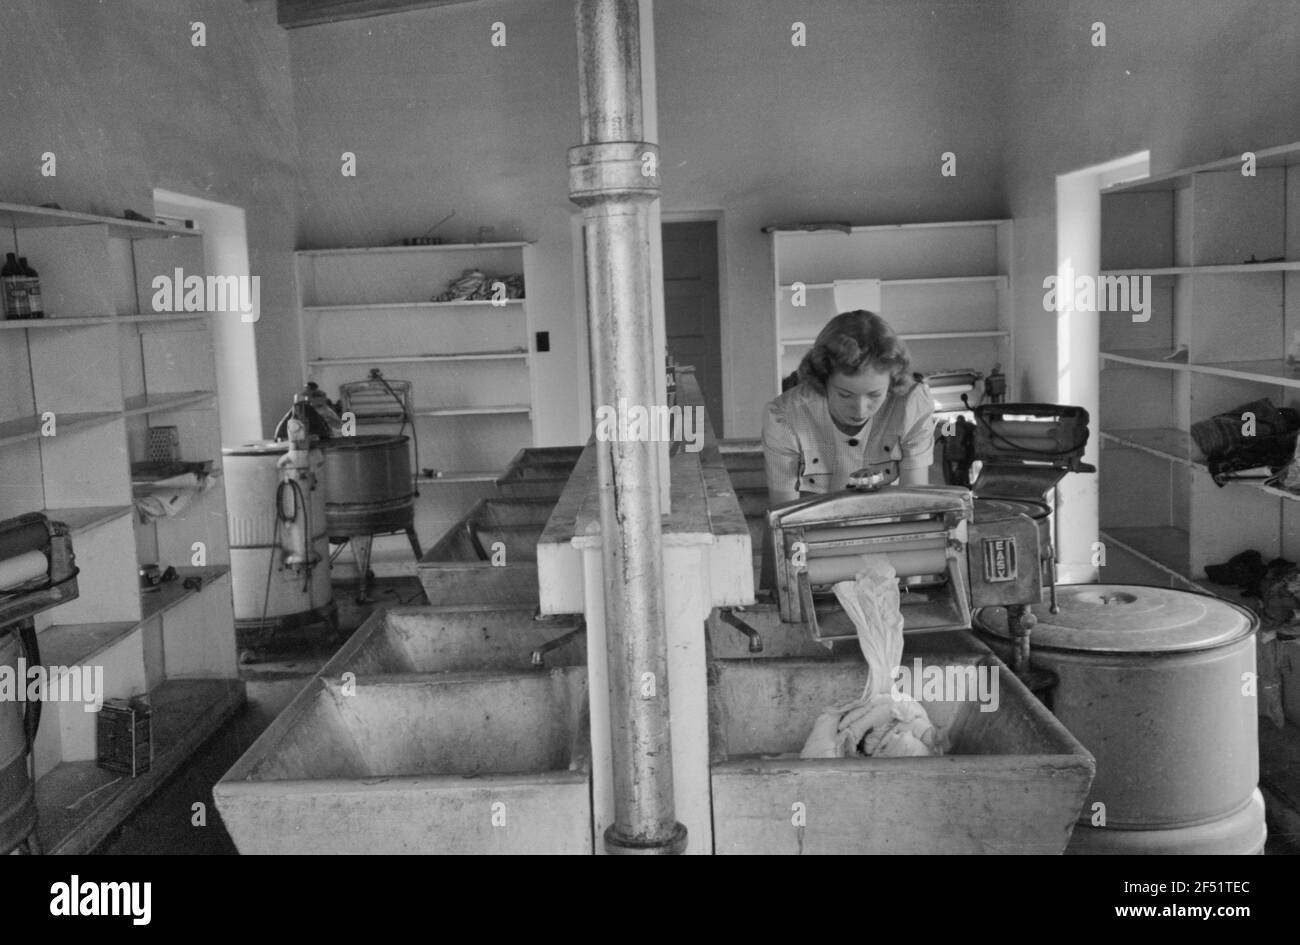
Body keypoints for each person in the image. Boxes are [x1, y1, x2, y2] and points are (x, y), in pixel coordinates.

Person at [762, 310, 935, 508]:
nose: (860, 410)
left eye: (874, 395)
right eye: (845, 394)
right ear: (822, 380)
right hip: (813, 532)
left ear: (892, 381)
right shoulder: (784, 417)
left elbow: (915, 506)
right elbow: (785, 517)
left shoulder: (912, 404)